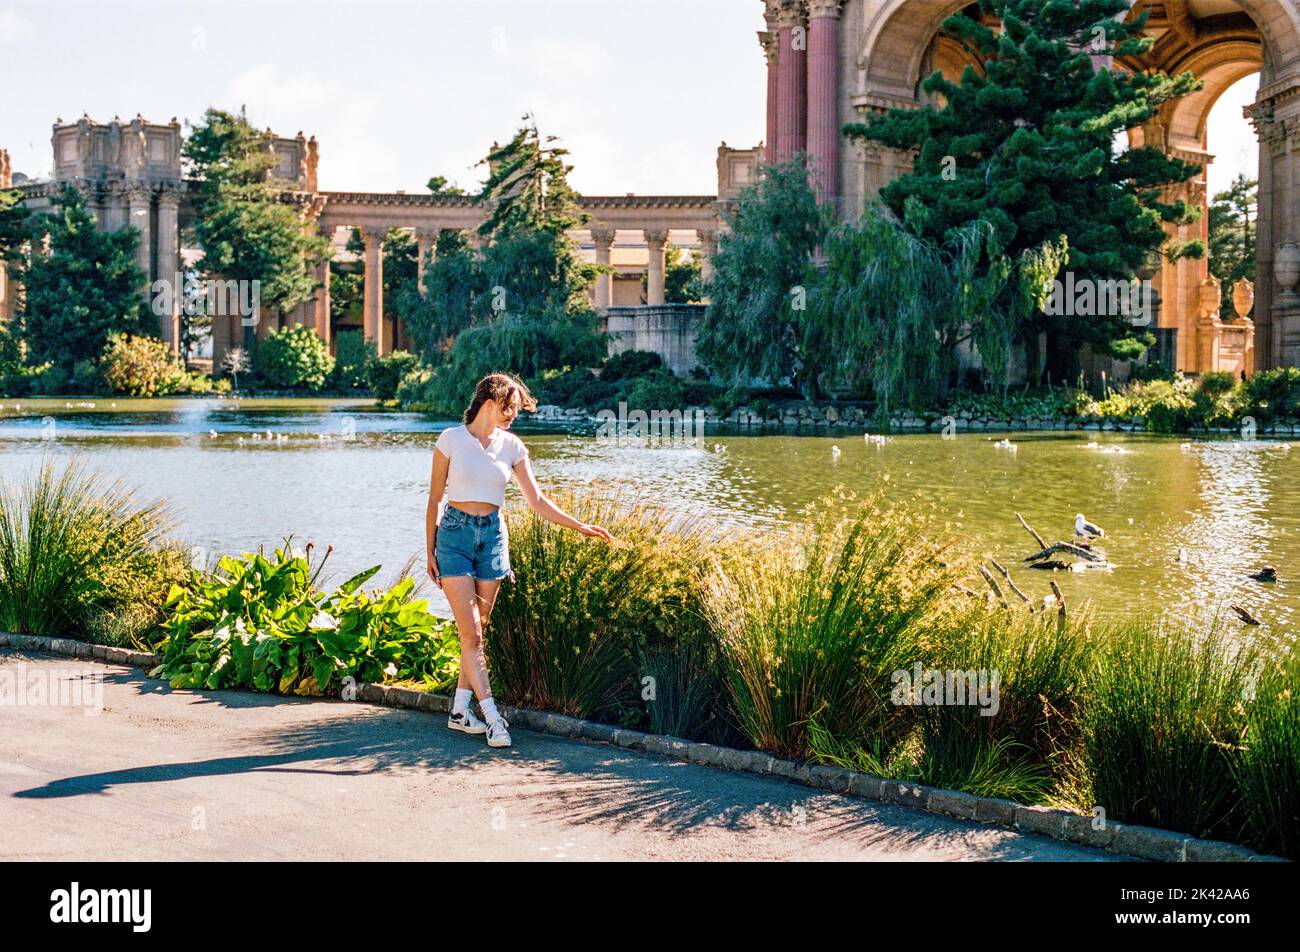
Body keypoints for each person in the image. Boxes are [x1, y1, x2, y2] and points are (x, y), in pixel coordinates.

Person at [425, 372, 614, 748]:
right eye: (510, 407)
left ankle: (460, 709)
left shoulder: (512, 447)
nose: (514, 415)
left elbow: (537, 501)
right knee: (474, 634)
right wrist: (429, 549)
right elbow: (433, 500)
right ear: (491, 403)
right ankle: (493, 717)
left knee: (475, 633)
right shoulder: (451, 440)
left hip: (493, 538)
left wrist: (580, 526)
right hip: (454, 537)